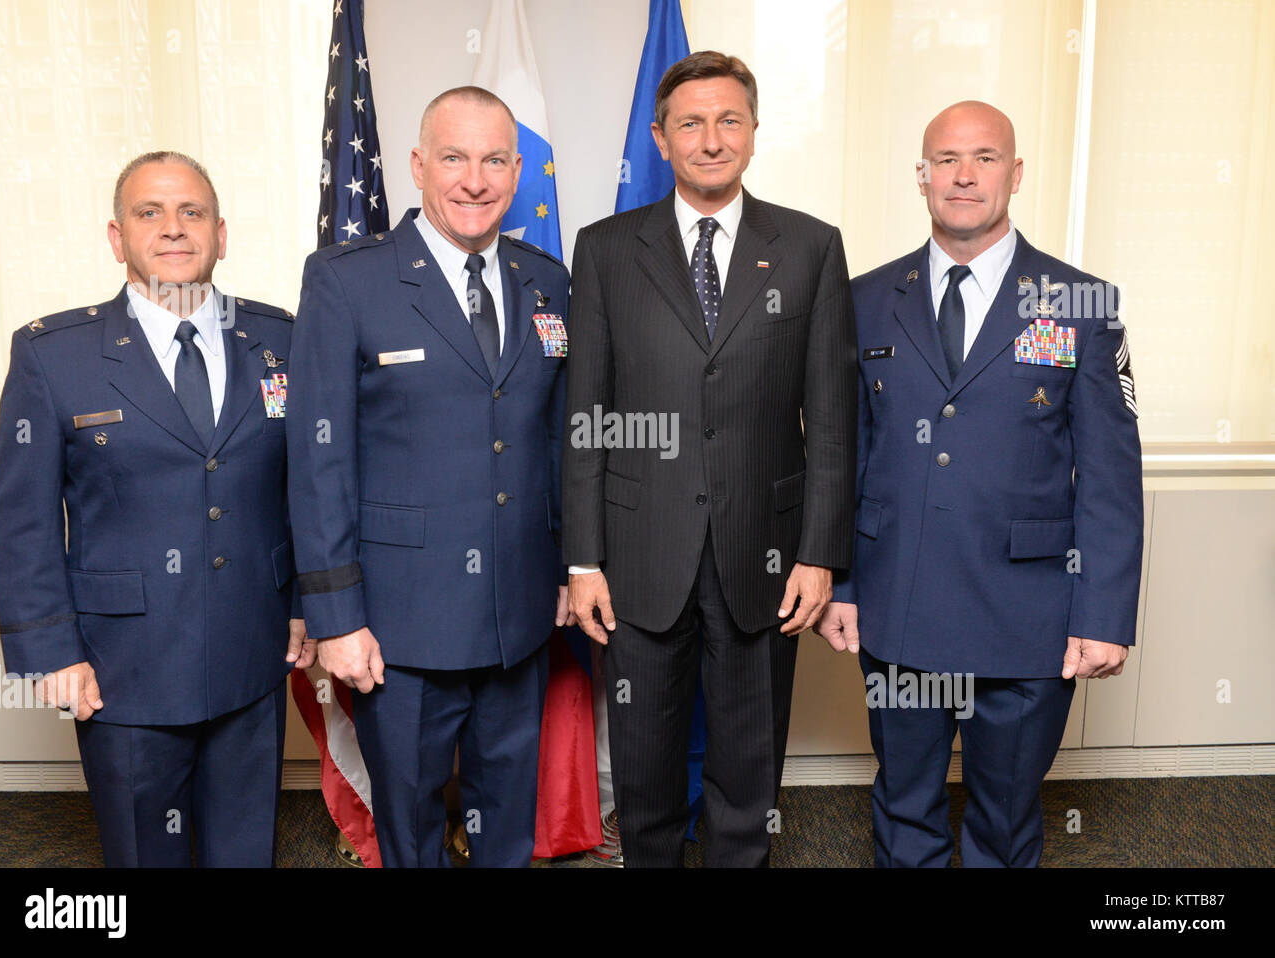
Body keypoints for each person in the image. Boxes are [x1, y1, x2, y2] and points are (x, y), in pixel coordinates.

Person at [817, 101, 1143, 867]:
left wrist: (1105, 614)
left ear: (1016, 174)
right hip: (898, 607)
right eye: (947, 160)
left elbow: (1109, 477)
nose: (965, 176)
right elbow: (843, 455)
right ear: (922, 177)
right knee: (905, 806)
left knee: (1004, 816)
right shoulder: (863, 300)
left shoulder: (1081, 304)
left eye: (986, 157)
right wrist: (841, 584)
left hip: (1027, 615)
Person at [563, 51, 857, 867]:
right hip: (637, 556)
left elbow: (832, 420)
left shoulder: (810, 248)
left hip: (765, 553)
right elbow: (586, 415)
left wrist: (818, 555)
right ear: (660, 139)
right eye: (690, 123)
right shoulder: (606, 250)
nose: (711, 138)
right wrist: (583, 560)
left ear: (755, 134)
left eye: (729, 120)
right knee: (647, 771)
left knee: (747, 769)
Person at [0, 151, 311, 867]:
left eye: (191, 212)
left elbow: (302, 486)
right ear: (117, 237)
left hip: (251, 651)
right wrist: (51, 651)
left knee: (243, 849)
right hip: (122, 662)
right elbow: (23, 520)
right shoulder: (55, 354)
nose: (173, 228)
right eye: (150, 213)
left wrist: (302, 604)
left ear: (220, 234)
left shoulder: (280, 339)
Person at [286, 86, 570, 867]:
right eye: (454, 157)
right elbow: (318, 458)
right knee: (409, 828)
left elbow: (556, 440)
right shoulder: (349, 281)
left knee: (508, 816)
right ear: (418, 165)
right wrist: (337, 617)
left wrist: (565, 563)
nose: (474, 180)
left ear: (517, 173)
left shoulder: (547, 281)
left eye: (494, 160)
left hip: (518, 608)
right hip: (398, 621)